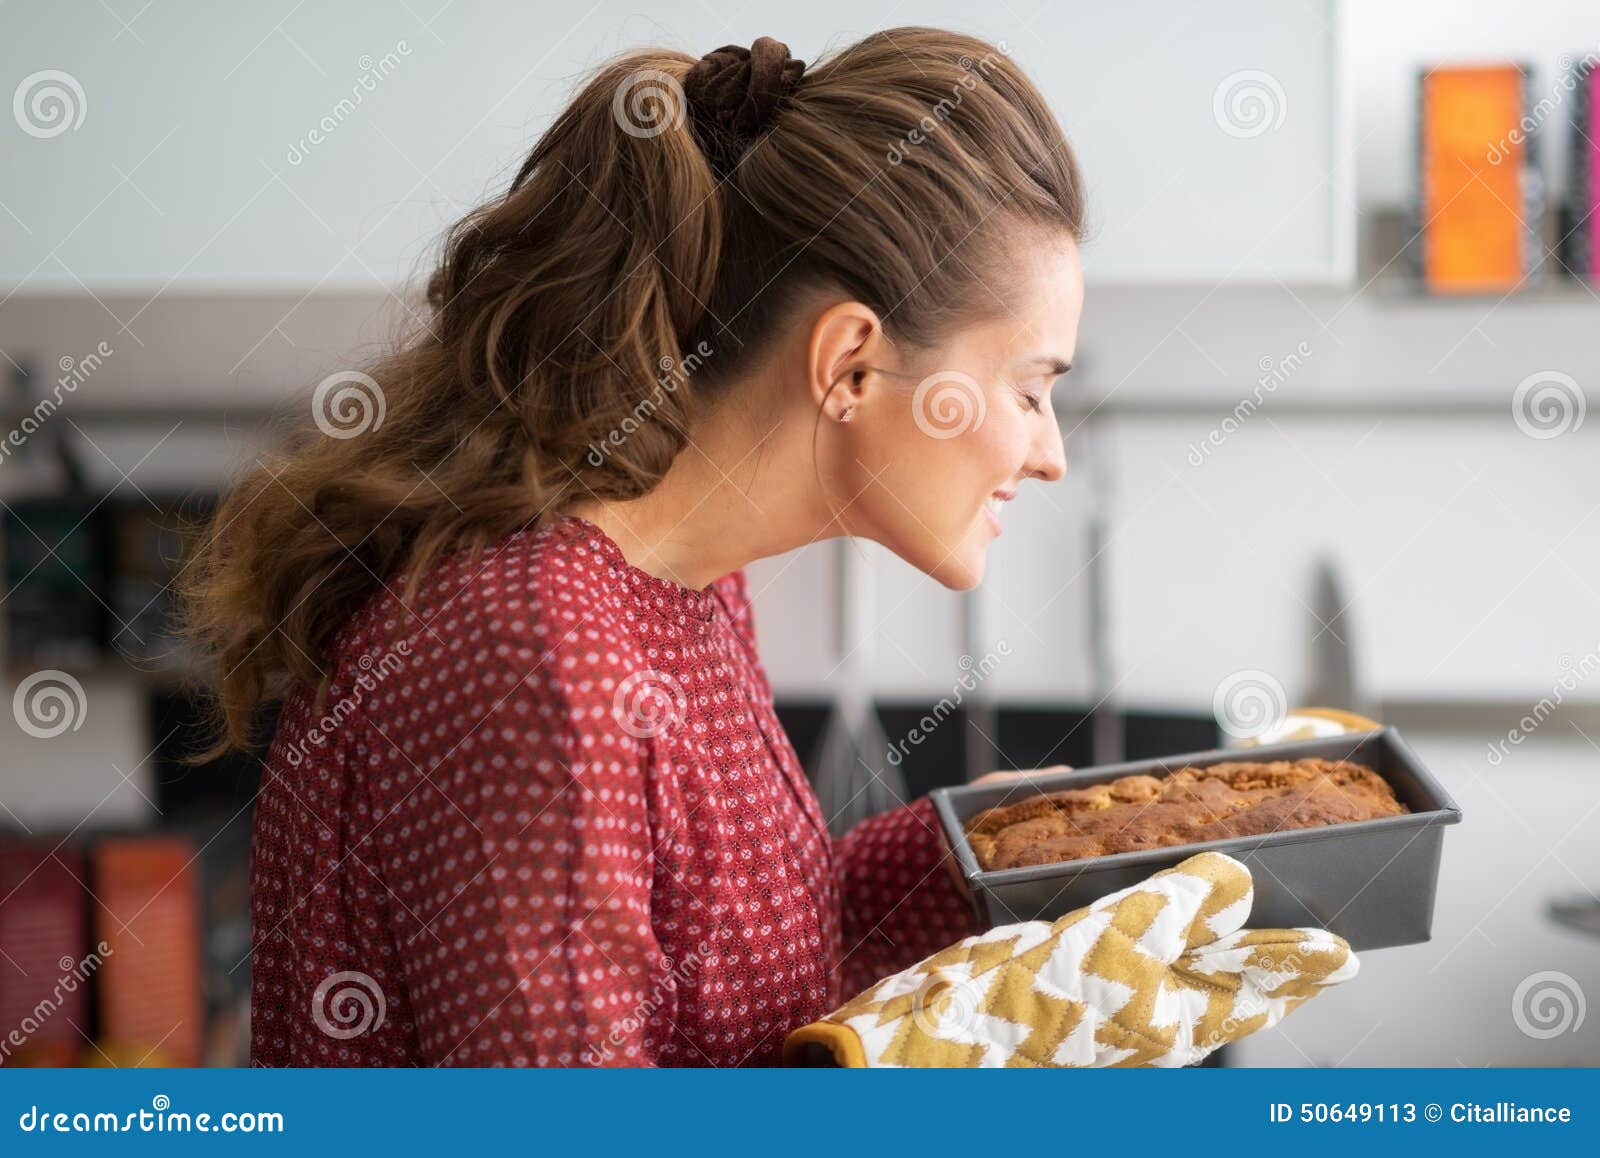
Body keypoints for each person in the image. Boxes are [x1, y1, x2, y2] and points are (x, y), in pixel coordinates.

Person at [182, 28, 1347, 1067]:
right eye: (1031, 388)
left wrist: (987, 852)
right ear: (849, 363)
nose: (1046, 453)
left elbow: (737, 973)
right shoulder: (541, 652)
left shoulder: (684, 590)